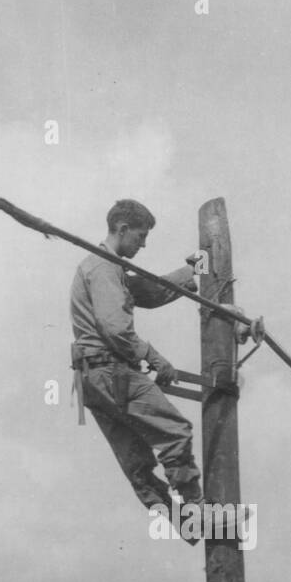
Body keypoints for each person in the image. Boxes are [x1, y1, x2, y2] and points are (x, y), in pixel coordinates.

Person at [67, 199, 204, 536]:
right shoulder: (103, 268)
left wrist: (192, 274)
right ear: (123, 229)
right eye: (141, 236)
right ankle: (200, 513)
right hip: (110, 370)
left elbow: (147, 290)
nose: (144, 244)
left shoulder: (108, 269)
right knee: (175, 432)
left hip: (91, 379)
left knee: (138, 464)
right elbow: (115, 328)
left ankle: (187, 523)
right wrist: (155, 358)